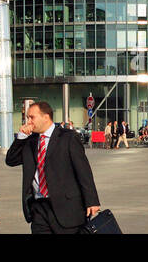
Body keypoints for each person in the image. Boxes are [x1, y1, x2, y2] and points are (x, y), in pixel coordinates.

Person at [6, 100, 100, 234]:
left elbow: (83, 171)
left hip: (67, 208)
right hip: (39, 209)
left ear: (46, 117)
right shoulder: (30, 141)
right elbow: (11, 160)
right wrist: (21, 137)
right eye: (28, 117)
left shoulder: (68, 138)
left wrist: (92, 200)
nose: (28, 121)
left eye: (32, 117)